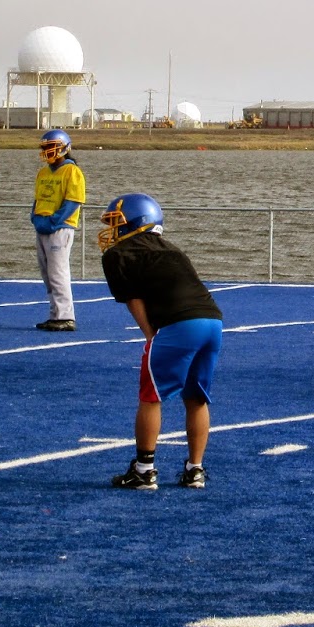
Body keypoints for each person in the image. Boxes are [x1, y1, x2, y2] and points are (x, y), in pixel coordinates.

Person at [101, 193, 224, 491]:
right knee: (196, 398)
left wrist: (149, 334)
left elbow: (134, 299)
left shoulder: (118, 255)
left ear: (136, 221)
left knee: (150, 397)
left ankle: (144, 471)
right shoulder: (174, 251)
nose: (113, 230)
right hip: (213, 320)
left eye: (118, 222)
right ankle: (195, 470)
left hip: (180, 325)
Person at [31, 128, 85, 332]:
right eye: (45, 148)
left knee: (58, 272)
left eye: (51, 147)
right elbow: (38, 199)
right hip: (42, 225)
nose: (47, 152)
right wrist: (35, 217)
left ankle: (66, 316)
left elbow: (74, 200)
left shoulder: (72, 171)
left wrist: (55, 221)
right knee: (47, 274)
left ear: (64, 148)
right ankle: (55, 314)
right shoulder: (43, 172)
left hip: (60, 227)